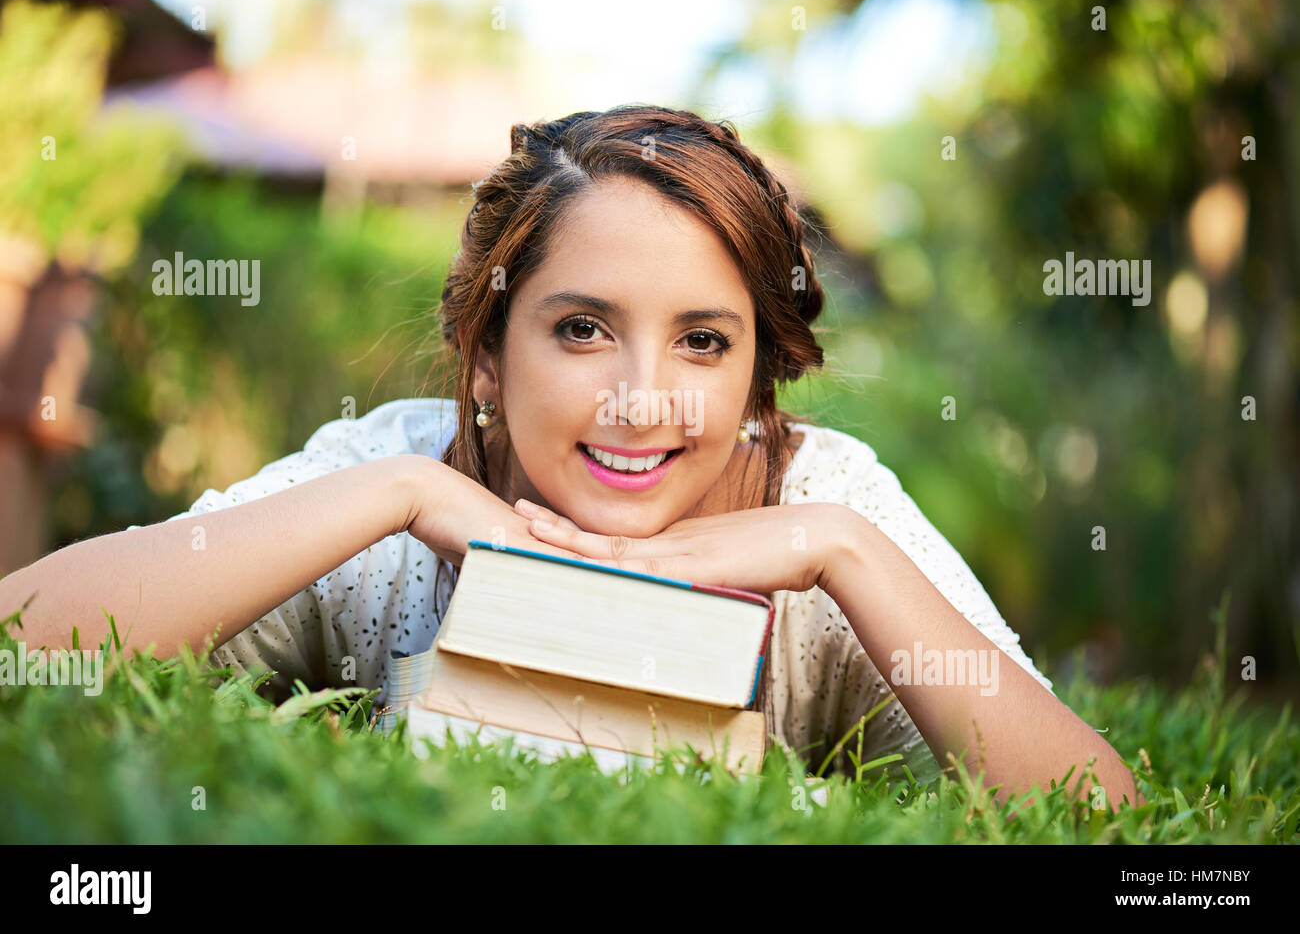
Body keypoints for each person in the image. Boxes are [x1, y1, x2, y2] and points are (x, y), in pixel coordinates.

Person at [0, 105, 1139, 810]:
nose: (641, 401)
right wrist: (400, 495)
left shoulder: (825, 505)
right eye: (581, 330)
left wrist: (839, 549)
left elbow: (1095, 812)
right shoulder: (399, 476)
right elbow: (22, 639)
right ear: (487, 356)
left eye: (703, 341)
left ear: (758, 371)